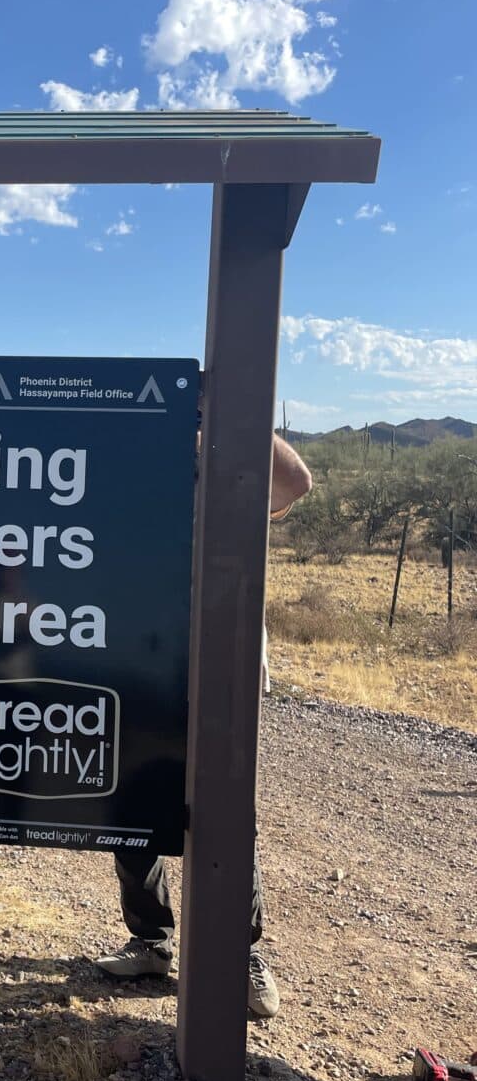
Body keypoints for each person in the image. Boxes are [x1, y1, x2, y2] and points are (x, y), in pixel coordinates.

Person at [94, 432, 313, 1019]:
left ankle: (237, 955)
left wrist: (245, 414)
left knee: (224, 806)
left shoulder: (233, 470)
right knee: (135, 796)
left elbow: (297, 484)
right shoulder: (137, 470)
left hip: (225, 664)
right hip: (139, 660)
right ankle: (150, 940)